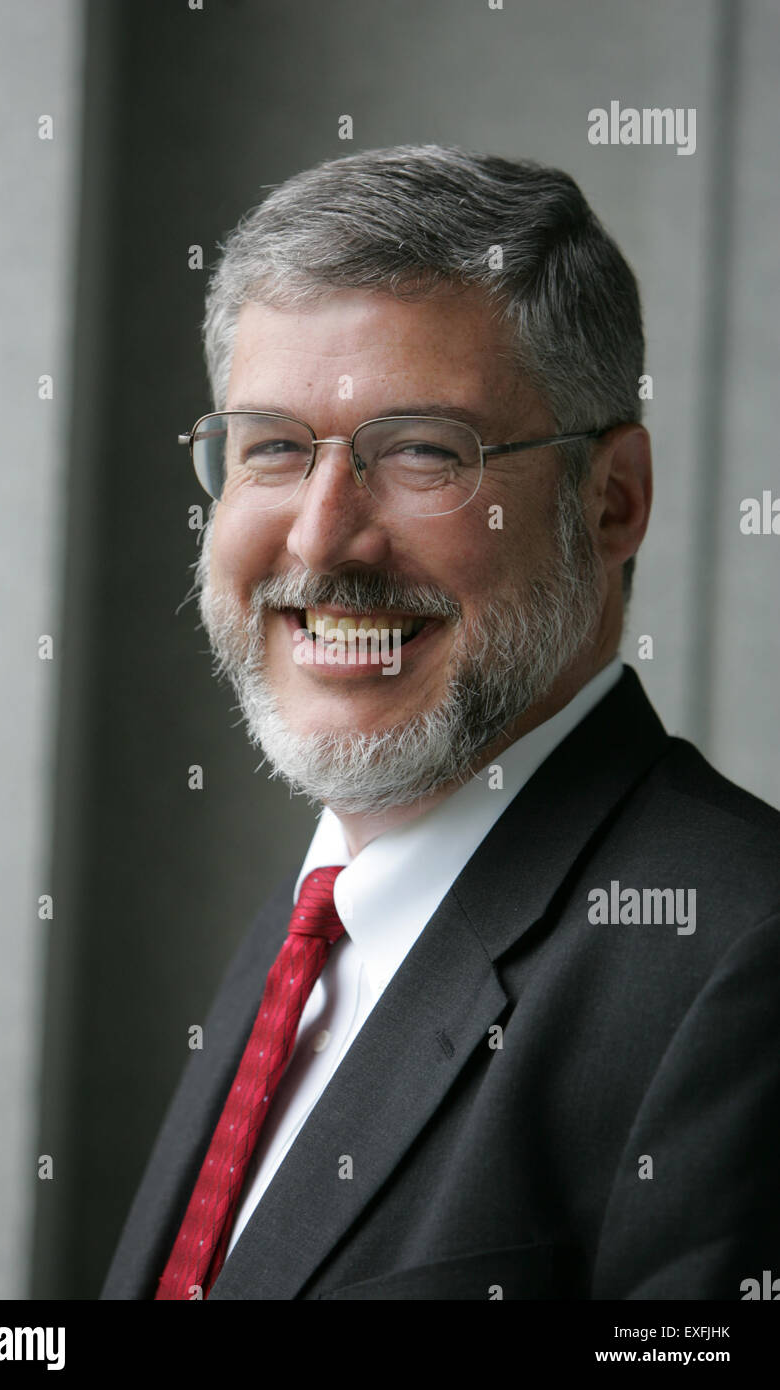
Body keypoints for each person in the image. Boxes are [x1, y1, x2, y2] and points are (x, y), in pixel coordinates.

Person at [101, 145, 780, 1301]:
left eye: (421, 451)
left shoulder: (736, 960)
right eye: (269, 446)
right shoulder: (315, 922)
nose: (319, 540)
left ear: (610, 500)